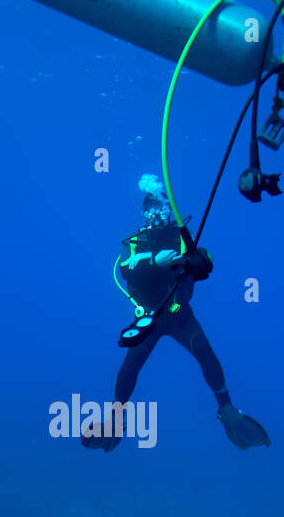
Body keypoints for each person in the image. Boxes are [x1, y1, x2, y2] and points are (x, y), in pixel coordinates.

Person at [82, 175, 271, 452]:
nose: (157, 214)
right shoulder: (134, 243)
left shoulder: (182, 237)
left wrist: (191, 261)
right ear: (144, 213)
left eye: (162, 208)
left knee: (205, 352)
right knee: (131, 363)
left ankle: (228, 410)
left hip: (180, 314)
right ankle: (115, 417)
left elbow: (204, 267)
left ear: (169, 211)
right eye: (151, 209)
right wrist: (153, 260)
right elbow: (124, 269)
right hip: (151, 318)